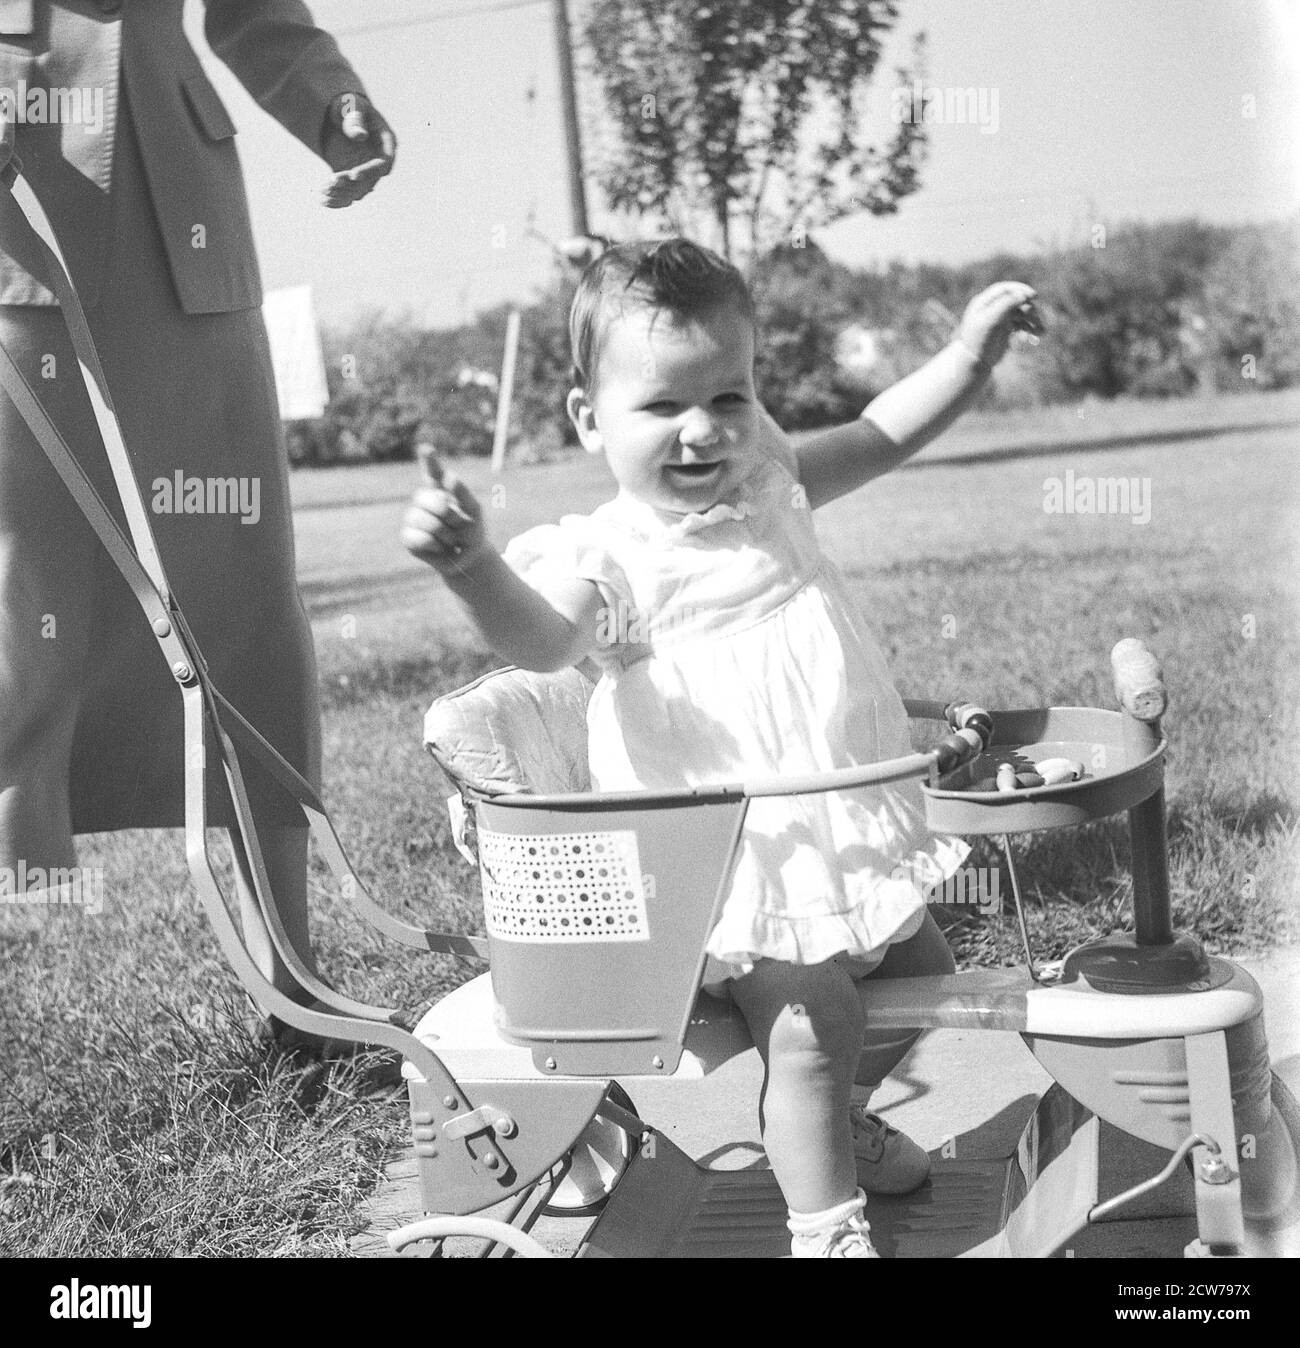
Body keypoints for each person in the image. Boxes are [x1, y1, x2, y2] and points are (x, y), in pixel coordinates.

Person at [402, 239, 1036, 1257]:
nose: (702, 431)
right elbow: (543, 641)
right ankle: (824, 1227)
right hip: (723, 871)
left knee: (925, 979)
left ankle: (818, 1120)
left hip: (838, 836)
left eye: (728, 395)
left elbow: (881, 432)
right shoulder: (610, 558)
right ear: (588, 419)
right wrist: (474, 565)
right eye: (662, 407)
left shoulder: (774, 483)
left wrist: (968, 353)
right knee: (811, 1026)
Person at [0, 2, 394, 1026]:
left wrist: (331, 102)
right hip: (15, 227)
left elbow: (257, 12)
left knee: (243, 603)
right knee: (17, 613)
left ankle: (296, 991)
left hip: (185, 232)